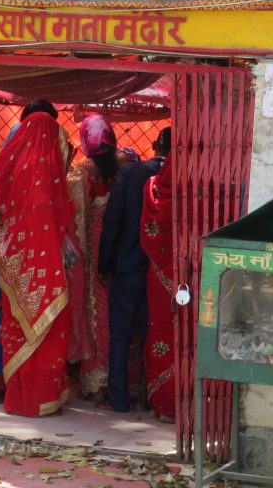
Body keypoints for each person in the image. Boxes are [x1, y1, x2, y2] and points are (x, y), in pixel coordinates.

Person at [0, 111, 74, 417]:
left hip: (16, 269)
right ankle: (43, 399)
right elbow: (63, 219)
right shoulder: (50, 176)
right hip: (47, 269)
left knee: (19, 326)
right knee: (49, 329)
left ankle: (19, 398)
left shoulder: (10, 169)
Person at [97, 127, 169, 413]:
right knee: (156, 333)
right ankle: (150, 395)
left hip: (128, 266)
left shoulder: (131, 174)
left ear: (154, 145)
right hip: (165, 273)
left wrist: (105, 264)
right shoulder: (186, 176)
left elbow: (112, 222)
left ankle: (118, 397)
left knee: (121, 333)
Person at [71, 113, 137, 399]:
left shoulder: (83, 171)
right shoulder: (130, 162)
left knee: (96, 313)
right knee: (125, 313)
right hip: (126, 244)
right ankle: (126, 379)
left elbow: (77, 213)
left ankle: (97, 381)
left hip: (96, 248)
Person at [139, 128, 176, 421]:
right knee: (191, 335)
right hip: (197, 274)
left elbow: (151, 230)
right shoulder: (209, 184)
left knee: (162, 329)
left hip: (162, 274)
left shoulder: (154, 187)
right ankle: (190, 401)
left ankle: (164, 403)